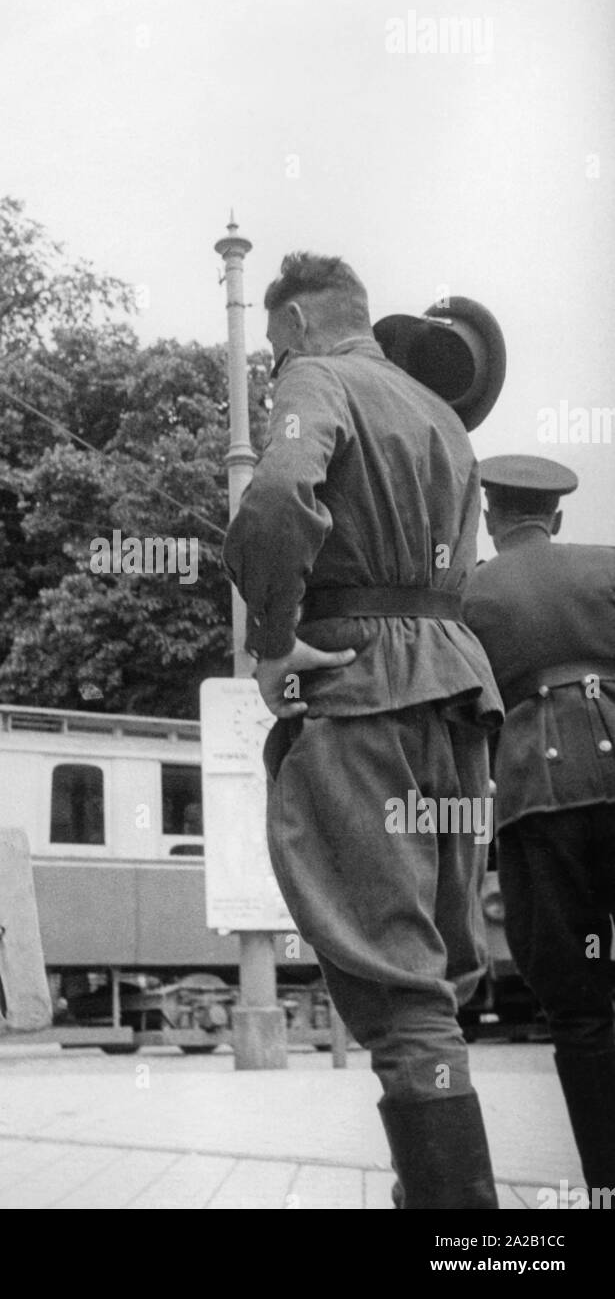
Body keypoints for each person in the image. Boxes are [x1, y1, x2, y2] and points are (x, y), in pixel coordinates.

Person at [222, 253, 505, 1209]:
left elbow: (272, 499)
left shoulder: (318, 376)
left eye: (269, 346)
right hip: (455, 700)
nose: (268, 365)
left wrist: (271, 641)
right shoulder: (440, 414)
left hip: (361, 689)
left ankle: (464, 1233)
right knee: (436, 978)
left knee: (397, 990)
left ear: (297, 323)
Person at [463, 454, 615, 1201]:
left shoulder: (469, 593)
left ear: (490, 516)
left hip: (533, 799)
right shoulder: (605, 566)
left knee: (578, 1012)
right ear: (555, 518)